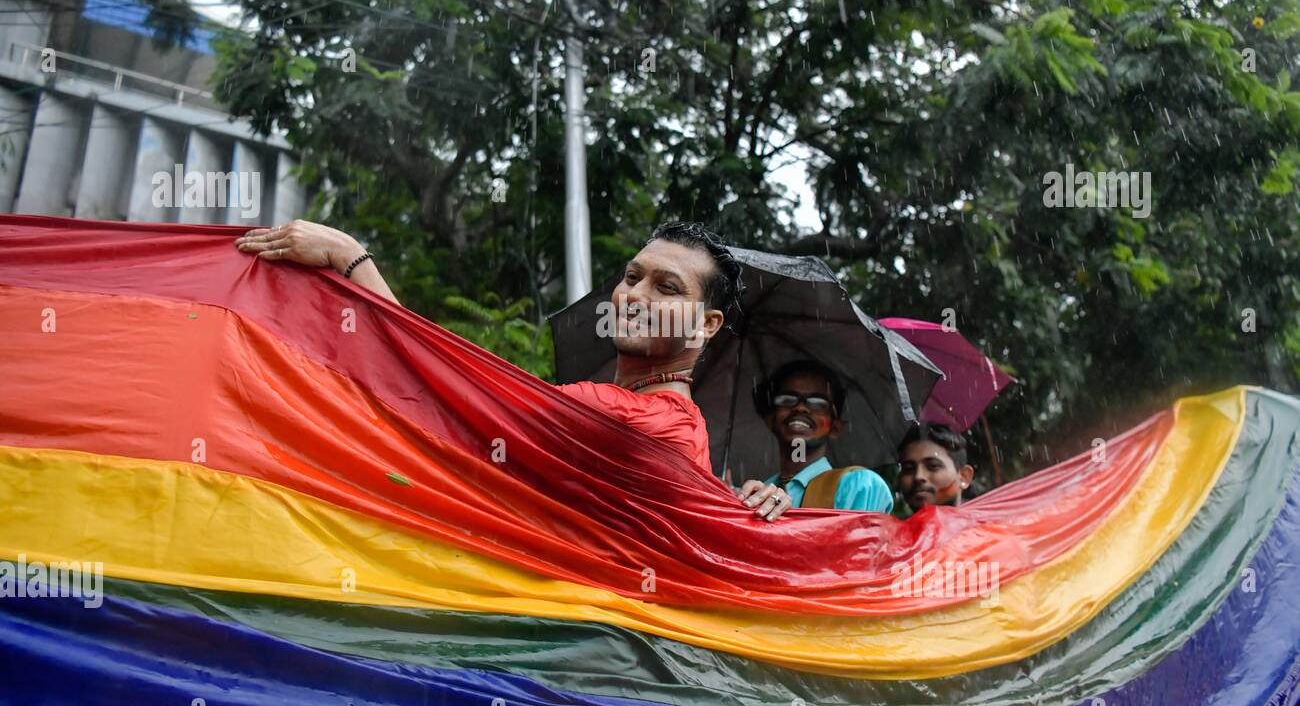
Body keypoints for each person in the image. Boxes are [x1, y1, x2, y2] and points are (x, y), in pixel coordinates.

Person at [234, 218, 794, 521]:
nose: (634, 295)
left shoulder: (640, 418)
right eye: (631, 277)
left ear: (707, 325)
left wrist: (349, 257)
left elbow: (447, 385)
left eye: (667, 288)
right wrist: (742, 502)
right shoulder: (672, 422)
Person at [753, 360, 894, 513]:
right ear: (771, 420)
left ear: (835, 428)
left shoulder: (859, 486)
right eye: (787, 400)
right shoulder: (757, 493)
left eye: (817, 403)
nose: (800, 408)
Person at [897, 422, 975, 510]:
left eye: (933, 466)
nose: (918, 476)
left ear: (964, 476)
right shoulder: (885, 523)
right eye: (908, 469)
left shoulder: (988, 522)